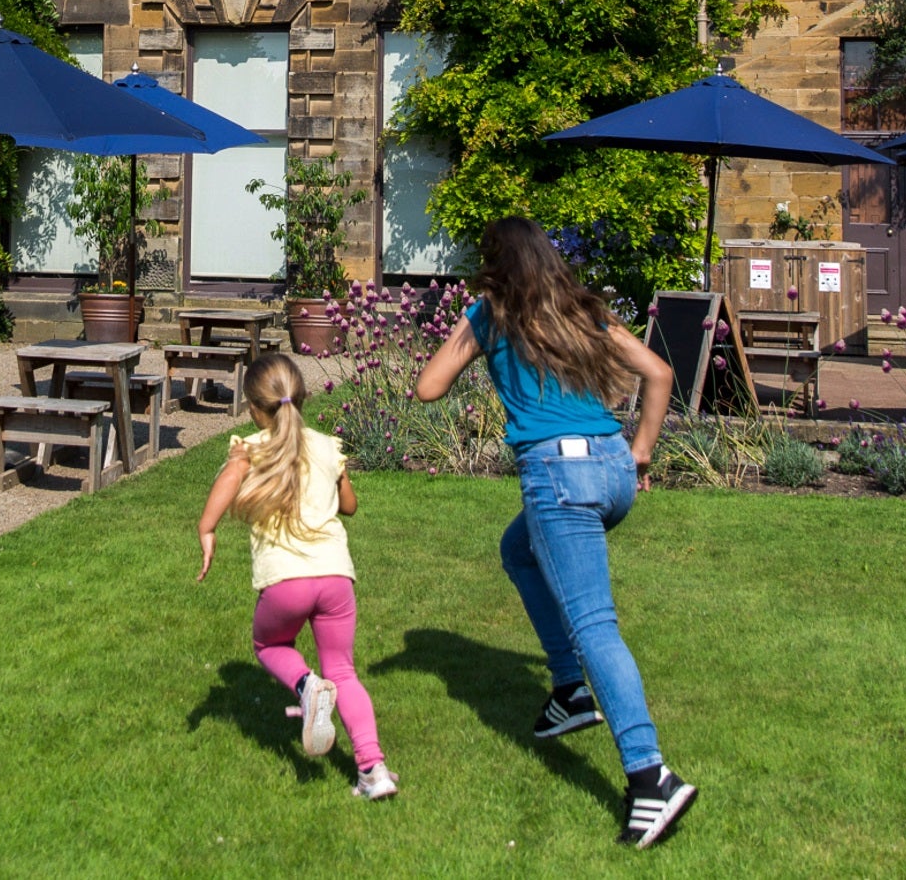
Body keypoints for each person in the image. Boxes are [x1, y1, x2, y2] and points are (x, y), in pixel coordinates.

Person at [414, 217, 697, 848]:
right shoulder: (581, 309)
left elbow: (427, 387)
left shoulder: (489, 315)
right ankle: (569, 691)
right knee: (517, 550)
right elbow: (658, 373)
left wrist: (472, 320)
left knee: (596, 626)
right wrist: (642, 451)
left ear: (494, 266)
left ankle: (651, 776)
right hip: (613, 467)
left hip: (560, 477)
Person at [196, 351, 396, 801]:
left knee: (269, 645)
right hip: (335, 579)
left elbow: (226, 485)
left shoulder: (249, 450)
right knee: (343, 670)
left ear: (252, 407)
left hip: (285, 582)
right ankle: (373, 769)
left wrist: (207, 530)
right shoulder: (326, 446)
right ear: (302, 398)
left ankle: (306, 688)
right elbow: (349, 506)